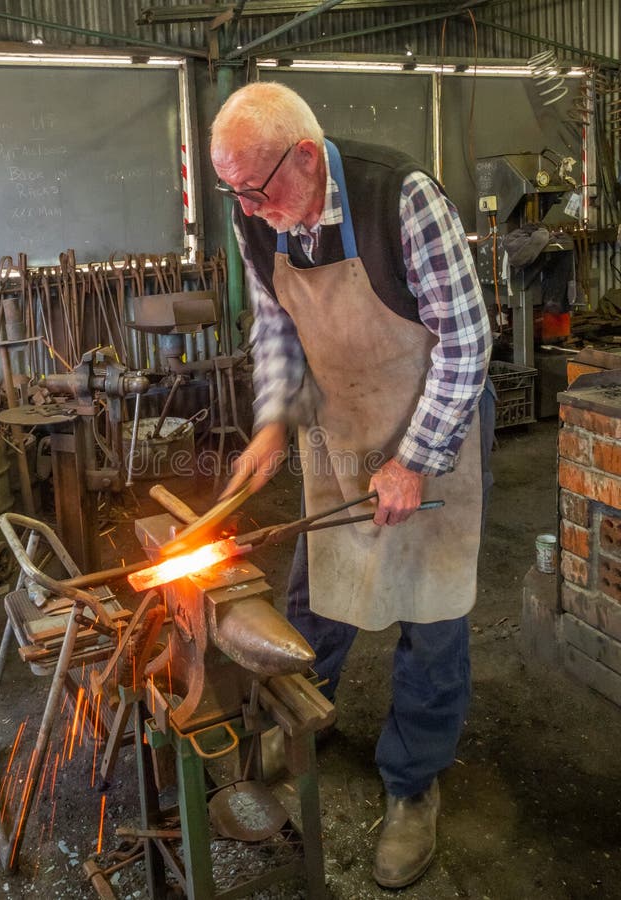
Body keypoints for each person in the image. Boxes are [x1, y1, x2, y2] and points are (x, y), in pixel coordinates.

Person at [210, 81, 494, 889]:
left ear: (305, 156)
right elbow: (273, 325)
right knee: (316, 595)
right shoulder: (256, 210)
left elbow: (467, 344)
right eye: (237, 194)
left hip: (433, 430)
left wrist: (415, 458)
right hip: (338, 432)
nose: (252, 211)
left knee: (432, 615)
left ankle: (413, 784)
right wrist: (272, 421)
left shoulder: (398, 197)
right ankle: (305, 718)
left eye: (259, 192)